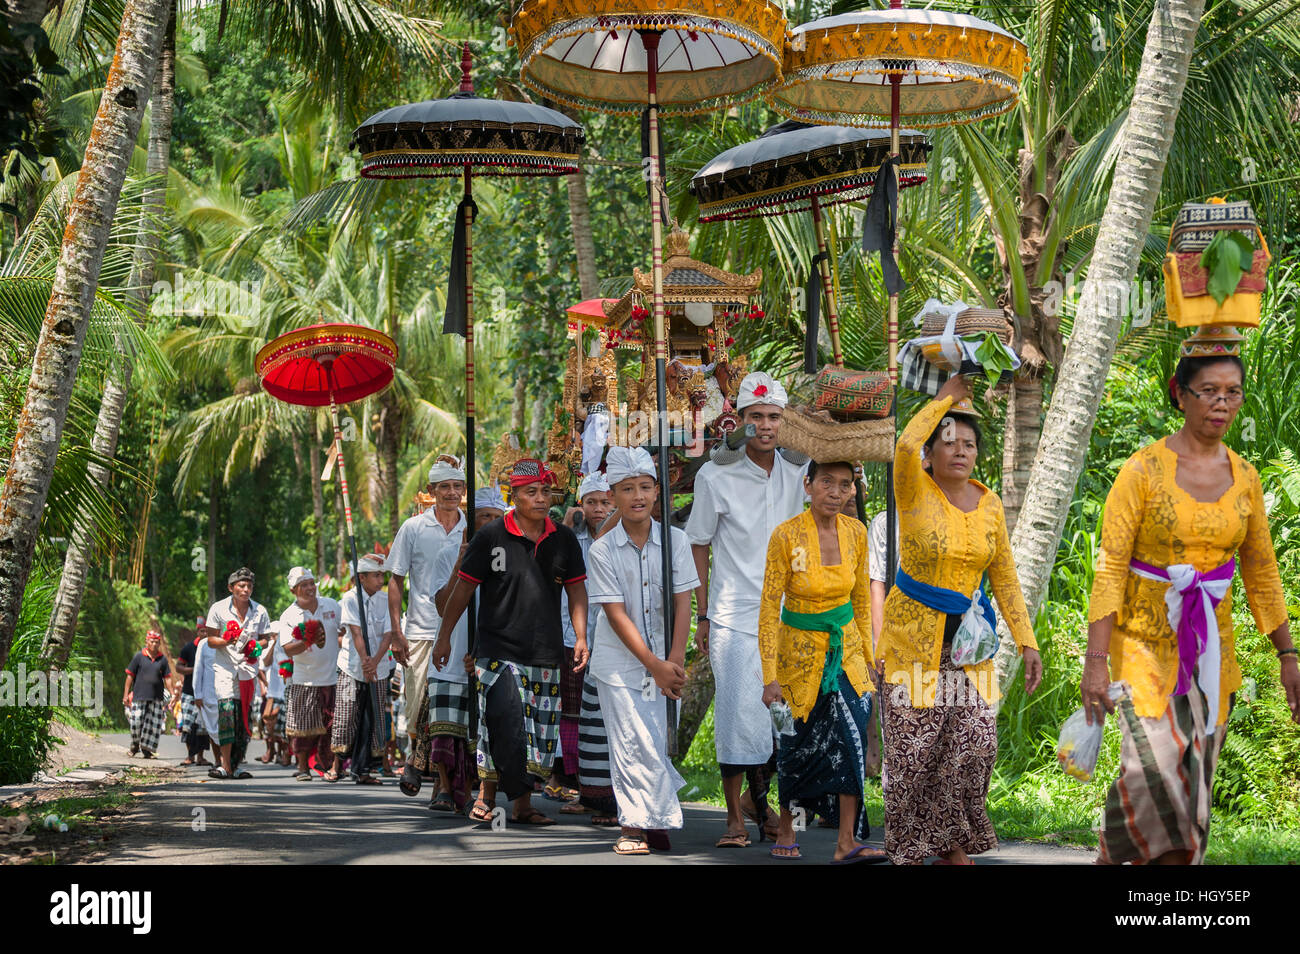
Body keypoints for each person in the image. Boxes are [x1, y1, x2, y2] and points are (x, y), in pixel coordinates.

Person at [1083, 353, 1298, 865]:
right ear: (1180, 395)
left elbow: (1262, 570)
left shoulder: (1245, 476)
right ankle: (1113, 859)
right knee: (1148, 778)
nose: (1222, 403)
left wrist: (1288, 654)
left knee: (1191, 797)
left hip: (1209, 655)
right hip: (1142, 648)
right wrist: (1094, 662)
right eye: (1209, 391)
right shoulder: (1143, 469)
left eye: (1233, 392)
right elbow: (1111, 565)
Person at [877, 375, 1042, 865]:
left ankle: (952, 843)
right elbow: (905, 443)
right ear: (931, 455)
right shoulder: (913, 489)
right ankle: (912, 852)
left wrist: (1027, 641)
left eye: (969, 443)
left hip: (971, 650)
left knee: (973, 746)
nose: (961, 451)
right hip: (911, 645)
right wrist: (945, 397)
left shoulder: (990, 503)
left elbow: (1006, 578)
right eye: (949, 442)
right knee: (914, 755)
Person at [685, 371, 808, 847]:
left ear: (785, 421)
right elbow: (697, 544)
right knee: (738, 714)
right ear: (741, 421)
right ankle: (734, 818)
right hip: (734, 616)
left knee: (784, 717)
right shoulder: (715, 476)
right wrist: (702, 614)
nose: (766, 425)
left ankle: (763, 800)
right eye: (756, 417)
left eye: (774, 417)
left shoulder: (802, 471)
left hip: (792, 615)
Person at [433, 458, 589, 827]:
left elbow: (578, 588)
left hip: (545, 651)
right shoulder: (490, 536)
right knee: (501, 720)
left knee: (538, 730)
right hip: (496, 650)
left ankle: (522, 805)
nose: (540, 499)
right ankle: (488, 795)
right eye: (530, 492)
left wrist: (581, 636)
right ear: (514, 496)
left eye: (545, 492)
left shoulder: (563, 538)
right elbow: (463, 588)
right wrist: (444, 639)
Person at [759, 461, 888, 863]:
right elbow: (767, 608)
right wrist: (769, 676)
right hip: (795, 656)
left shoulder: (857, 533)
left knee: (850, 742)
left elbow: (863, 602)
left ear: (853, 490)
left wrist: (869, 657)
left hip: (847, 652)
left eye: (844, 485)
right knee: (793, 745)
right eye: (827, 482)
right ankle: (787, 829)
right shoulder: (786, 535)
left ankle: (846, 841)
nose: (835, 492)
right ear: (808, 485)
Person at [586, 448, 698, 855]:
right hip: (619, 664)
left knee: (655, 739)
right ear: (613, 495)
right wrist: (653, 664)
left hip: (668, 660)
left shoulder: (677, 541)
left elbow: (684, 601)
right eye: (627, 489)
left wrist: (675, 660)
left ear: (657, 493)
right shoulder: (602, 551)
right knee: (630, 741)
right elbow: (615, 614)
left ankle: (654, 817)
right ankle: (633, 824)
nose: (637, 496)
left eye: (645, 487)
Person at [421, 485, 507, 812]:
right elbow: (443, 606)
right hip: (451, 651)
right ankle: (444, 786)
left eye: (496, 518)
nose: (490, 523)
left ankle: (478, 792)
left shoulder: (505, 557)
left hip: (487, 654)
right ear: (472, 521)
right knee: (444, 729)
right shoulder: (447, 555)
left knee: (482, 731)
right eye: (484, 516)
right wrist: (461, 564)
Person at [388, 456, 467, 795]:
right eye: (444, 487)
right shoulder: (414, 527)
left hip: (462, 629)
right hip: (420, 630)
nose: (451, 493)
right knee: (418, 702)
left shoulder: (473, 526)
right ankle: (423, 764)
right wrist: (396, 631)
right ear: (432, 491)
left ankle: (438, 778)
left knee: (451, 705)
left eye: (457, 487)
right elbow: (395, 579)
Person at [550, 471, 613, 805]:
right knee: (572, 710)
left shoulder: (618, 535)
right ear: (581, 505)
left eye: (605, 502)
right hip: (571, 634)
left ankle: (598, 785)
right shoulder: (571, 537)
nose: (599, 509)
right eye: (592, 502)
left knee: (600, 712)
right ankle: (570, 778)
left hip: (611, 637)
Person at [202, 567, 272, 779]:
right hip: (224, 669)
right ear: (231, 587)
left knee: (243, 717)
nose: (246, 589)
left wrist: (256, 646)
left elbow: (266, 638)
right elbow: (211, 640)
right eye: (241, 585)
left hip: (247, 670)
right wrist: (228, 640)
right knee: (226, 713)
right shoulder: (218, 608)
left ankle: (237, 763)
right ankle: (225, 765)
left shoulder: (260, 611)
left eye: (249, 586)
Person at [332, 554, 395, 784]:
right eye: (376, 575)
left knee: (373, 718)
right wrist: (365, 661)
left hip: (378, 666)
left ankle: (363, 769)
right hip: (352, 665)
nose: (380, 580)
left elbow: (388, 634)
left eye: (382, 575)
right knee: (347, 715)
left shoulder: (386, 599)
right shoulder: (349, 599)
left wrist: (375, 661)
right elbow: (356, 633)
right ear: (362, 578)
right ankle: (337, 765)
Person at [279, 566, 343, 781]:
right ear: (293, 590)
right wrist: (308, 640)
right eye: (303, 585)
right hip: (304, 679)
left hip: (332, 677)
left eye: (311, 583)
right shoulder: (289, 615)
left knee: (333, 725)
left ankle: (330, 768)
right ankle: (303, 768)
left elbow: (344, 631)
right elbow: (287, 648)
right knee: (303, 727)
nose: (309, 588)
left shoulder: (332, 605)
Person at [124, 626, 171, 759]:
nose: (154, 644)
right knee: (136, 722)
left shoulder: (162, 659)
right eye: (152, 641)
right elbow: (129, 676)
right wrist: (126, 695)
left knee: (154, 725)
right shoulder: (139, 656)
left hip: (157, 697)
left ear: (159, 643)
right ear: (147, 642)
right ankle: (134, 746)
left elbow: (167, 678)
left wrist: (172, 694)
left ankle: (147, 750)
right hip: (139, 696)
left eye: (157, 642)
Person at [175, 620, 210, 766]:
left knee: (203, 728)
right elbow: (178, 667)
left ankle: (201, 757)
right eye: (202, 631)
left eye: (207, 631)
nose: (205, 634)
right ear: (198, 632)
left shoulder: (212, 648)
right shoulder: (189, 648)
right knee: (188, 726)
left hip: (206, 693)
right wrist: (194, 670)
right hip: (189, 692)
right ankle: (190, 756)